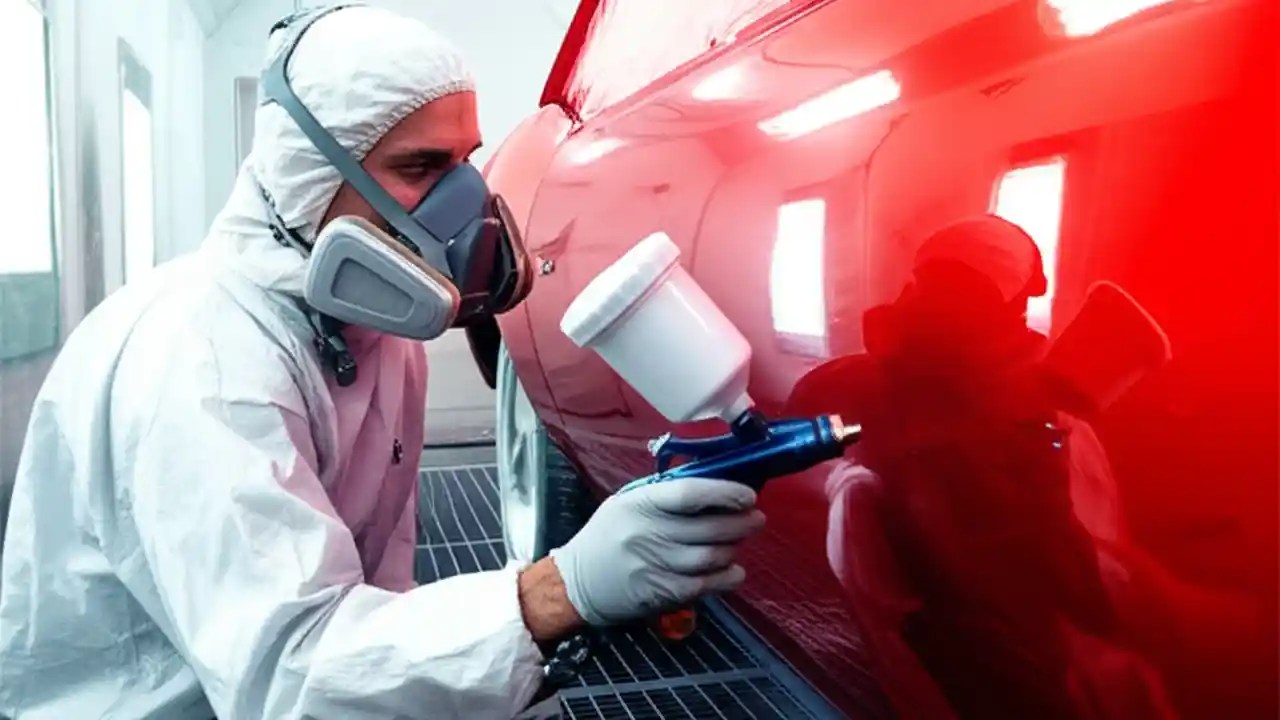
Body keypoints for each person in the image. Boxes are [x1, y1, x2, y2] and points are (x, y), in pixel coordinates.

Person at [0, 6, 764, 719]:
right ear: (308, 175)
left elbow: (367, 598)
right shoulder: (202, 371)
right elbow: (292, 674)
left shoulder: (376, 334)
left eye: (466, 159)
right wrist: (559, 593)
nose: (466, 202)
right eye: (421, 167)